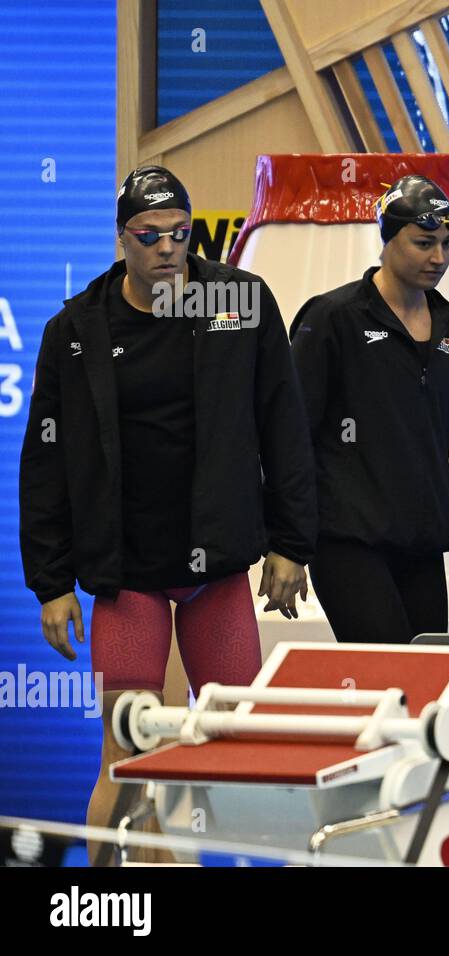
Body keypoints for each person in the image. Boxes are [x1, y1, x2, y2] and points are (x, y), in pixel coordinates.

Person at [19, 165, 316, 864]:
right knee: (125, 759)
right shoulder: (76, 329)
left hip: (216, 564)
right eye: (150, 236)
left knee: (234, 751)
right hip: (129, 573)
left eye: (180, 234)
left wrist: (291, 544)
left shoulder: (240, 303)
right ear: (122, 239)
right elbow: (45, 463)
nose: (167, 248)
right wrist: (52, 582)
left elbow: (286, 425)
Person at [290, 175, 449, 644]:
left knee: (423, 692)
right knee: (390, 683)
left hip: (421, 546)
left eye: (448, 244)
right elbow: (288, 437)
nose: (439, 257)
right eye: (424, 243)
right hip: (347, 542)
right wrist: (287, 544)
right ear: (386, 238)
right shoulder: (333, 319)